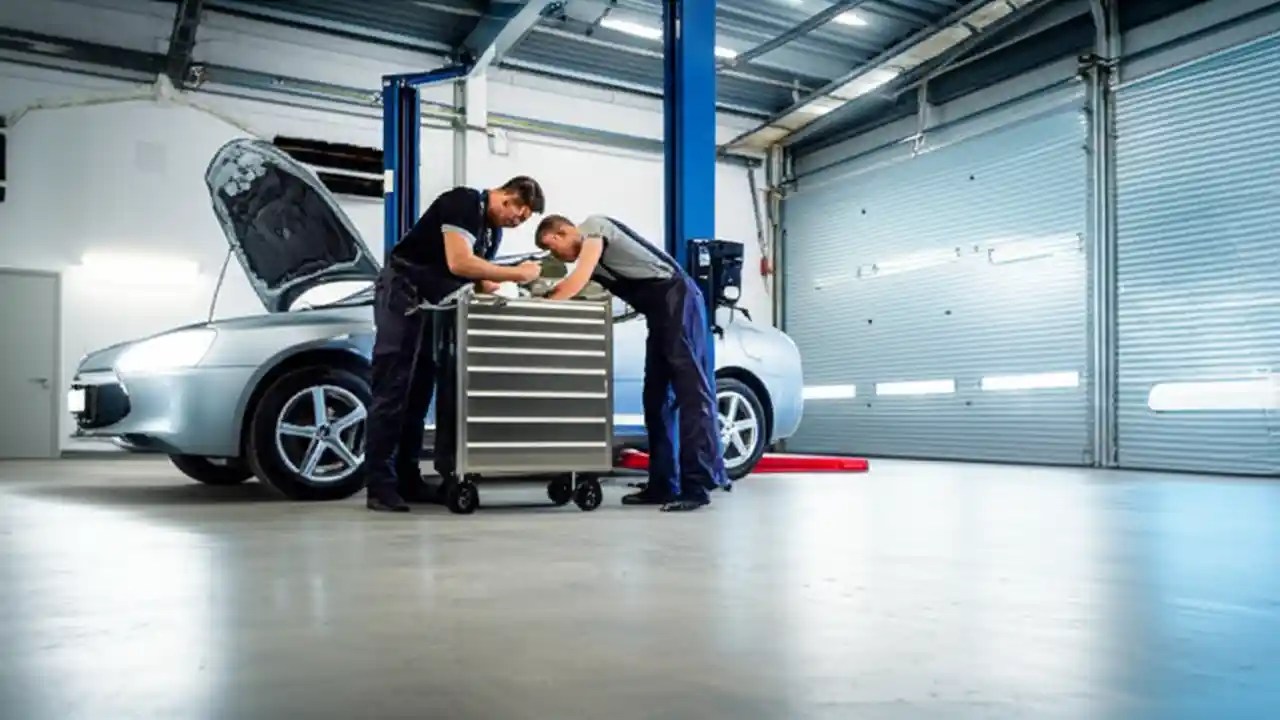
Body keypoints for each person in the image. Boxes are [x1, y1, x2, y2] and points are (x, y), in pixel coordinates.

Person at [365, 177, 545, 512]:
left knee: (418, 392)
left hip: (430, 305)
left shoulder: (491, 233)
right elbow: (459, 262)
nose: (516, 223)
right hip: (402, 291)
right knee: (393, 386)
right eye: (518, 215)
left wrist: (518, 289)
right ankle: (379, 486)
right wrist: (517, 273)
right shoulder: (463, 202)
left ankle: (407, 479)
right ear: (507, 198)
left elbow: (481, 278)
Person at [534, 214, 728, 512]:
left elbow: (577, 280)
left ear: (563, 232)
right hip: (660, 314)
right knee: (656, 399)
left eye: (552, 246)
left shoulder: (594, 228)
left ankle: (697, 486)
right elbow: (583, 290)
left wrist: (541, 304)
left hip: (679, 299)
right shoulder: (595, 263)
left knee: (692, 393)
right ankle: (663, 485)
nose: (555, 255)